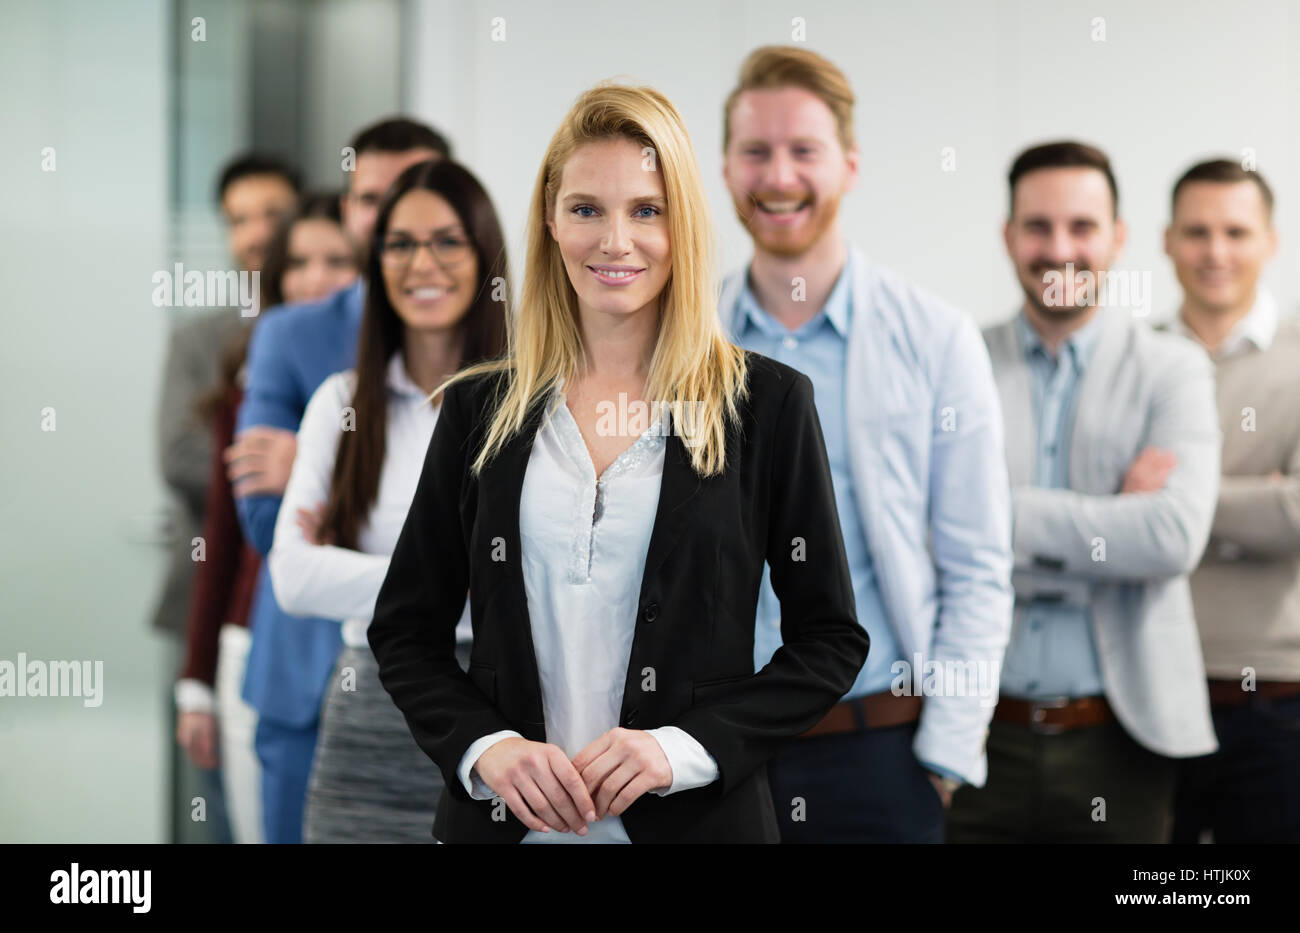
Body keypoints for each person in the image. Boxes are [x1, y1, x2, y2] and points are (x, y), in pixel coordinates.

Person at [368, 82, 869, 844]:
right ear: (549, 218)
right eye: (586, 209)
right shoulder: (478, 410)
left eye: (646, 209)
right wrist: (487, 747)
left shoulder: (767, 406)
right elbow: (406, 631)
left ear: (684, 224)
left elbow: (830, 639)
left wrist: (680, 750)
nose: (615, 241)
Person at [715, 45, 1013, 843]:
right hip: (710, 754)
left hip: (880, 750)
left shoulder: (936, 337)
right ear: (724, 168)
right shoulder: (679, 342)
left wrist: (945, 755)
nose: (779, 176)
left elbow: (978, 564)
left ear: (848, 165)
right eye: (756, 151)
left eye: (803, 150)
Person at [947, 141, 1221, 843]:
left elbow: (1171, 536)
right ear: (1009, 236)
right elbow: (927, 529)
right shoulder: (958, 362)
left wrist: (995, 519)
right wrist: (1109, 523)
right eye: (1037, 226)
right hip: (976, 735)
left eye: (1082, 226)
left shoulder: (1173, 368)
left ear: (1118, 237)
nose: (1059, 247)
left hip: (1122, 739)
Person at [267, 160, 506, 842]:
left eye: (446, 240)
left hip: (499, 721)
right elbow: (292, 577)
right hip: (366, 716)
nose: (420, 262)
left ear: (485, 253)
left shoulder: (532, 404)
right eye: (399, 243)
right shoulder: (341, 404)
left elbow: (537, 593)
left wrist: (356, 569)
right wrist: (452, 579)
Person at [227, 118, 451, 844]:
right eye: (369, 196)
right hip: (306, 675)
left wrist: (325, 471)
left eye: (413, 192)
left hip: (452, 690)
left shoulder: (501, 340)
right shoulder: (293, 333)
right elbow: (265, 520)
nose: (389, 215)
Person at [175, 193, 361, 843]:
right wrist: (196, 677)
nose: (316, 278)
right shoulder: (254, 375)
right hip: (265, 633)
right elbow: (223, 537)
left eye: (337, 260)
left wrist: (307, 461)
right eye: (300, 262)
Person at [152, 151, 301, 843]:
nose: (256, 233)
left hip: (303, 607)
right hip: (210, 597)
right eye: (239, 219)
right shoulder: (201, 340)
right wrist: (259, 467)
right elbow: (179, 455)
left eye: (272, 213)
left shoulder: (333, 333)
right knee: (223, 804)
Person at [1162, 160, 1300, 844]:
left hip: (1278, 701)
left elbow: (1296, 517)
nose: (1216, 252)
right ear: (1166, 241)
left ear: (1270, 240)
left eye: (1236, 232)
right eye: (1197, 232)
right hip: (1149, 697)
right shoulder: (1137, 357)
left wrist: (1167, 501)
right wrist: (1258, 495)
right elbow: (1099, 512)